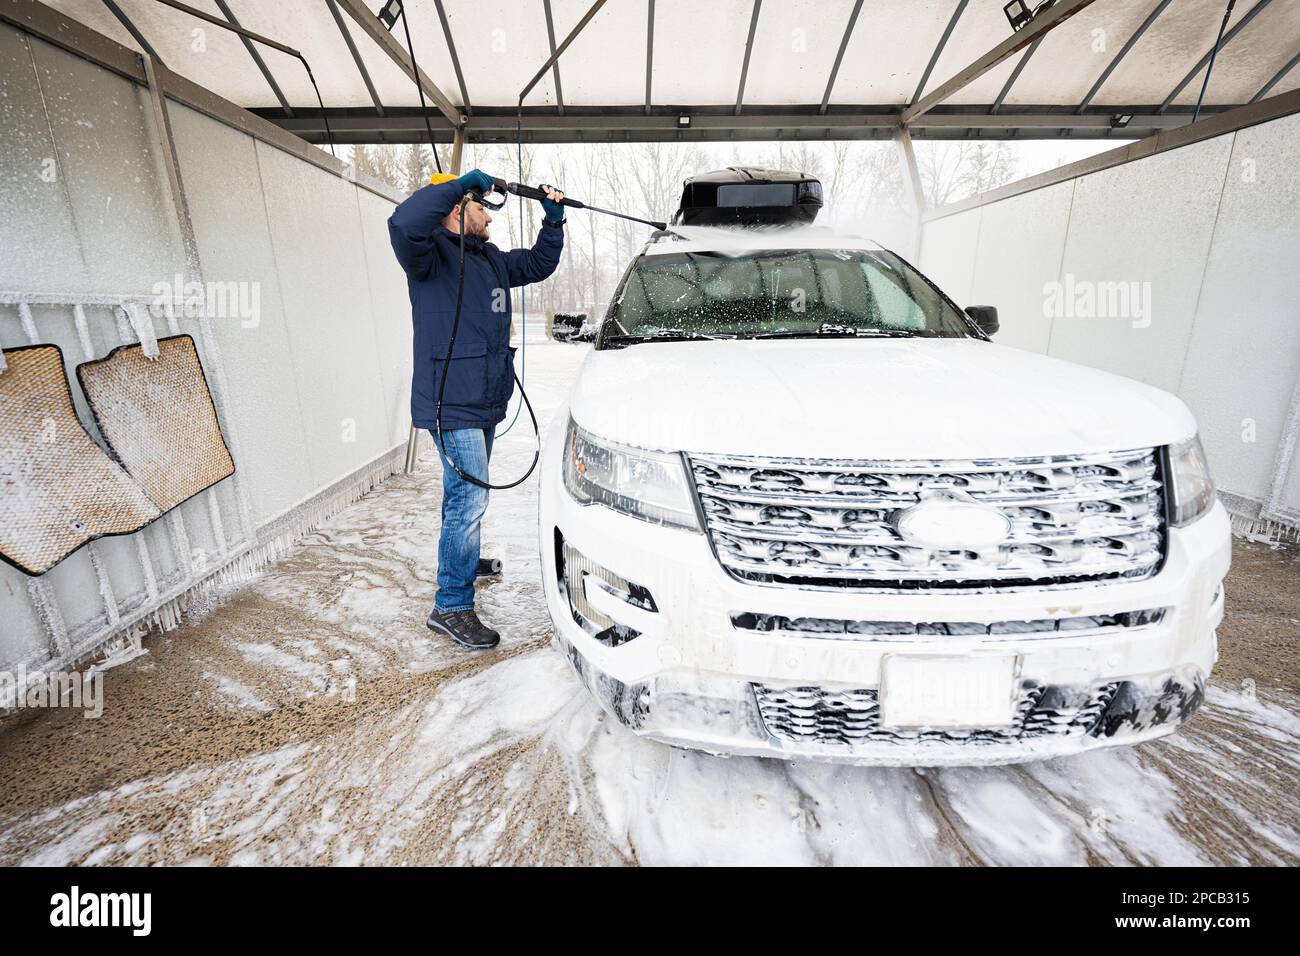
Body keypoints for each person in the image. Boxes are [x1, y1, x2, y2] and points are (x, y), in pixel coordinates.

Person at [388, 169, 565, 649]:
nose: (489, 214)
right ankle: (451, 605)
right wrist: (460, 182)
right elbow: (403, 221)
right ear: (456, 209)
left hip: (483, 397)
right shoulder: (425, 256)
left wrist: (553, 225)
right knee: (469, 500)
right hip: (452, 402)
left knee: (463, 494)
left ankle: (461, 562)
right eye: (480, 205)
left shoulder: (487, 258)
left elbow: (535, 266)